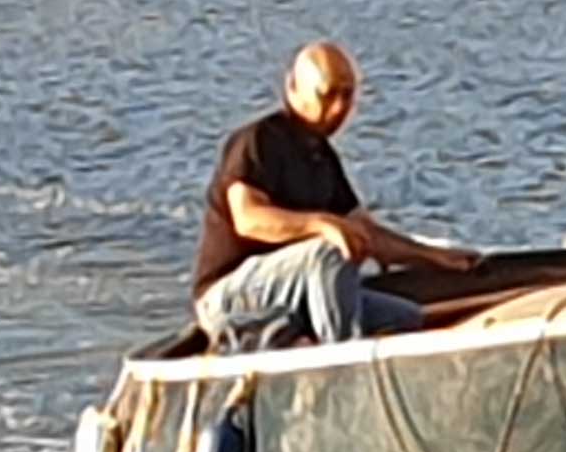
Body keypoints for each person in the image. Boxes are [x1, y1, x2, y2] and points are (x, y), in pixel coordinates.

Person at [191, 41, 479, 346]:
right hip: (229, 296)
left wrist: (434, 257)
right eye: (327, 95)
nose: (339, 108)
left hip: (295, 291)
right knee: (330, 249)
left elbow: (366, 233)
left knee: (403, 317)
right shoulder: (259, 141)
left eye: (347, 95)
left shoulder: (323, 157)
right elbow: (249, 218)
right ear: (293, 89)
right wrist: (320, 224)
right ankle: (340, 357)